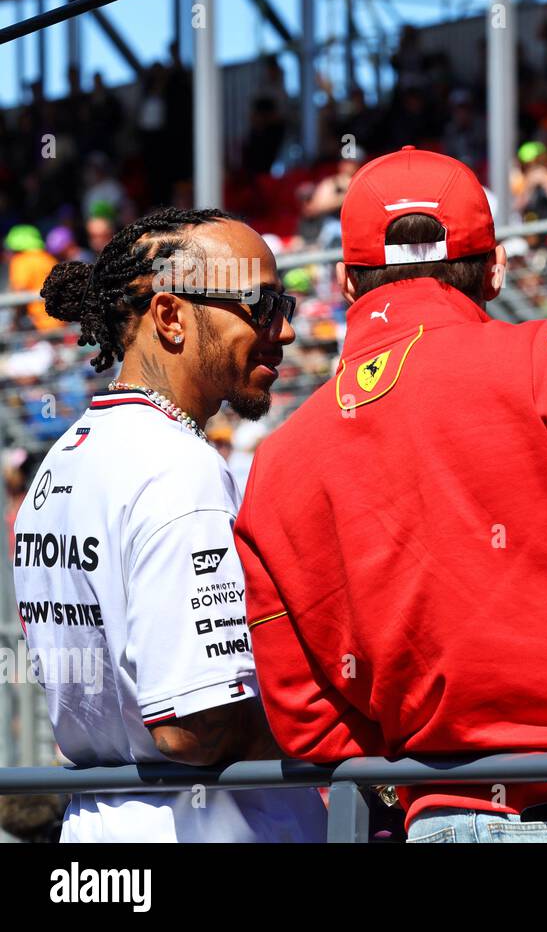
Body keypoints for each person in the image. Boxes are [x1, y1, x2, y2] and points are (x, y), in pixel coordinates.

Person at [233, 147, 547, 843]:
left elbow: (303, 717)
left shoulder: (278, 458)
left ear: (347, 285)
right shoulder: (537, 356)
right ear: (495, 269)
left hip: (445, 812)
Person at [12, 208, 323, 842]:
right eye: (260, 305)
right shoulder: (178, 469)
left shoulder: (65, 458)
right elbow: (194, 726)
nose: (285, 329)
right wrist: (340, 739)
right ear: (172, 316)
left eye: (284, 303)